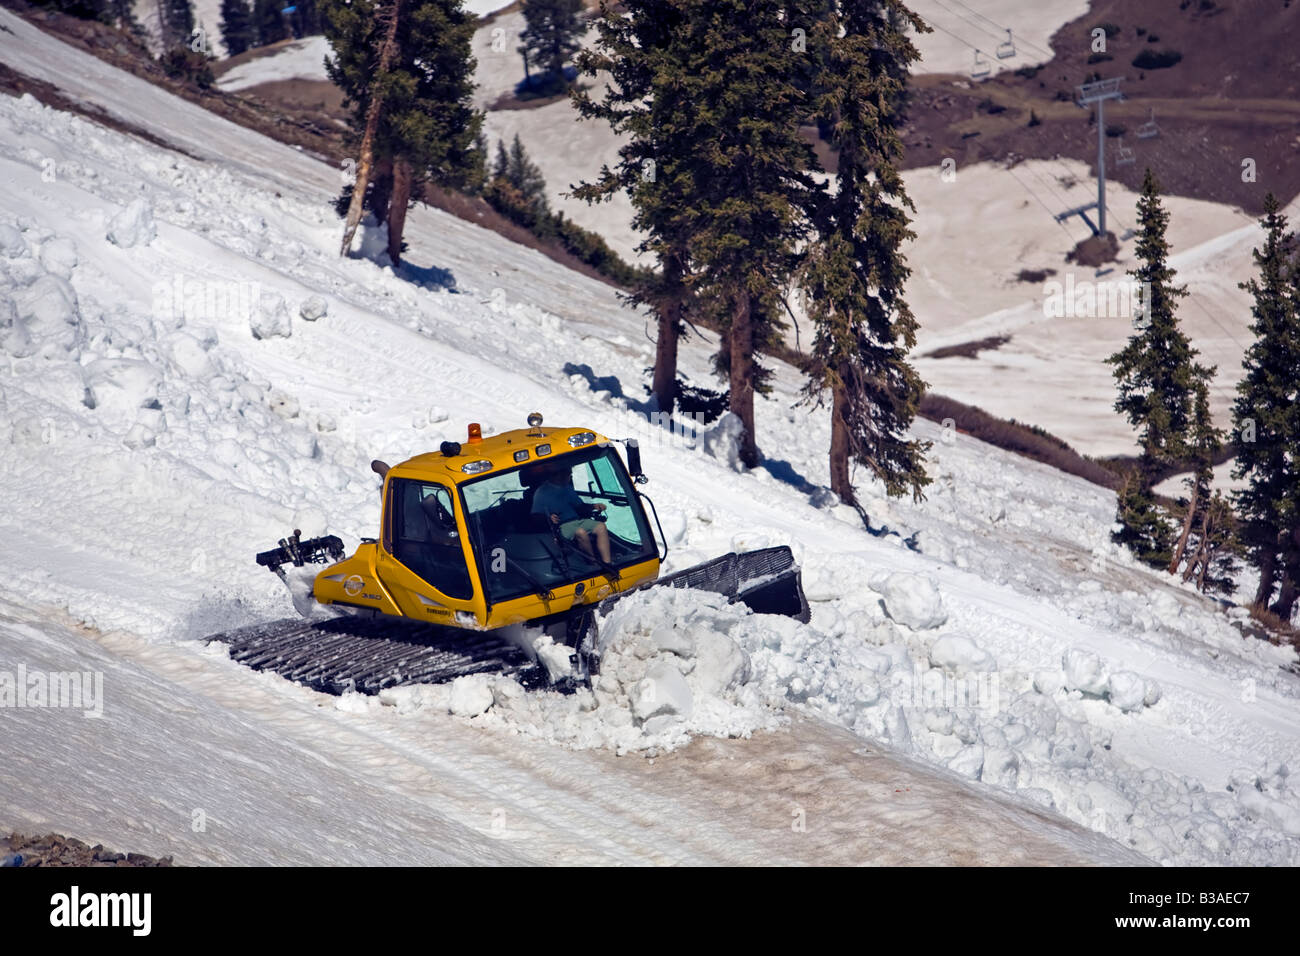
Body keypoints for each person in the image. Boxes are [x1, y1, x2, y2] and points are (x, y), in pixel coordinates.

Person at [530, 463, 614, 567]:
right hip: (562, 526)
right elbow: (535, 516)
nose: (570, 477)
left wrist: (594, 506)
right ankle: (594, 564)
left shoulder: (567, 488)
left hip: (577, 520)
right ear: (559, 475)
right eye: (569, 474)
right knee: (581, 532)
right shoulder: (541, 492)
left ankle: (608, 563)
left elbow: (580, 506)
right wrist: (549, 517)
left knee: (601, 526)